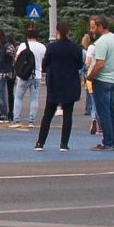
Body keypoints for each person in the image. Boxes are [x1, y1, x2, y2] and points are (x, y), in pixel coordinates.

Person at [35, 22, 86, 152]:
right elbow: (80, 65)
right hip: (70, 83)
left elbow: (45, 63)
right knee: (68, 115)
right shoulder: (75, 48)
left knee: (48, 114)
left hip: (55, 83)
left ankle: (40, 142)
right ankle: (64, 144)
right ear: (68, 31)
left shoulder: (52, 48)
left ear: (57, 31)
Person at [87, 15, 114, 151]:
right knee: (111, 111)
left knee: (104, 113)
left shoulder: (102, 42)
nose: (92, 30)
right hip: (112, 79)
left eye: (93, 27)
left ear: (100, 26)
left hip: (102, 80)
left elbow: (100, 64)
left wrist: (90, 77)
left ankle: (107, 142)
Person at [12, 24, 44, 126]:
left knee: (18, 97)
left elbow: (17, 59)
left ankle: (17, 119)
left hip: (24, 75)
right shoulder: (42, 47)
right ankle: (31, 121)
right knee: (34, 98)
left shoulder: (23, 45)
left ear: (27, 36)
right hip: (37, 75)